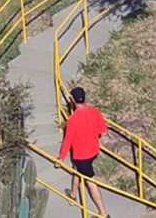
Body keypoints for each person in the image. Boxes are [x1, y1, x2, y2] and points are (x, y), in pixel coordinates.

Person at [57, 86, 109, 216]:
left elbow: (67, 141)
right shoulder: (94, 111)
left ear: (73, 101)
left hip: (82, 156)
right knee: (77, 169)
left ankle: (103, 214)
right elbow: (103, 129)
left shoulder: (73, 120)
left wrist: (60, 158)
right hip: (93, 151)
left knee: (91, 183)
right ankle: (74, 195)